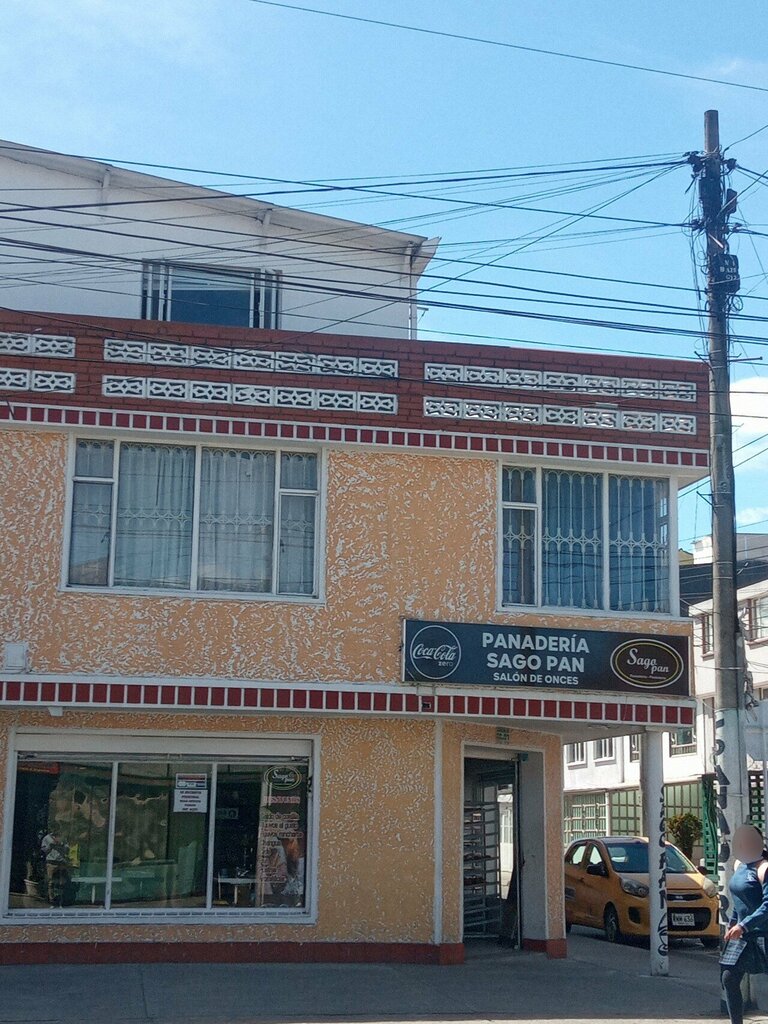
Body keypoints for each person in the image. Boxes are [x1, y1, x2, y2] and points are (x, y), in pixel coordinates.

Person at [721, 824, 768, 1024]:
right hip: (742, 935)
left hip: (762, 933)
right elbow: (738, 899)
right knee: (729, 978)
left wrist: (743, 925)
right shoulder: (739, 864)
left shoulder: (763, 867)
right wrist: (734, 922)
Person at [40, 829, 70, 908]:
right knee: (51, 883)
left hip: (61, 862)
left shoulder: (63, 838)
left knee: (61, 883)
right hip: (51, 863)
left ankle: (60, 902)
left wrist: (61, 844)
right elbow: (43, 850)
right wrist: (50, 845)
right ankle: (52, 902)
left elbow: (67, 850)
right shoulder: (47, 838)